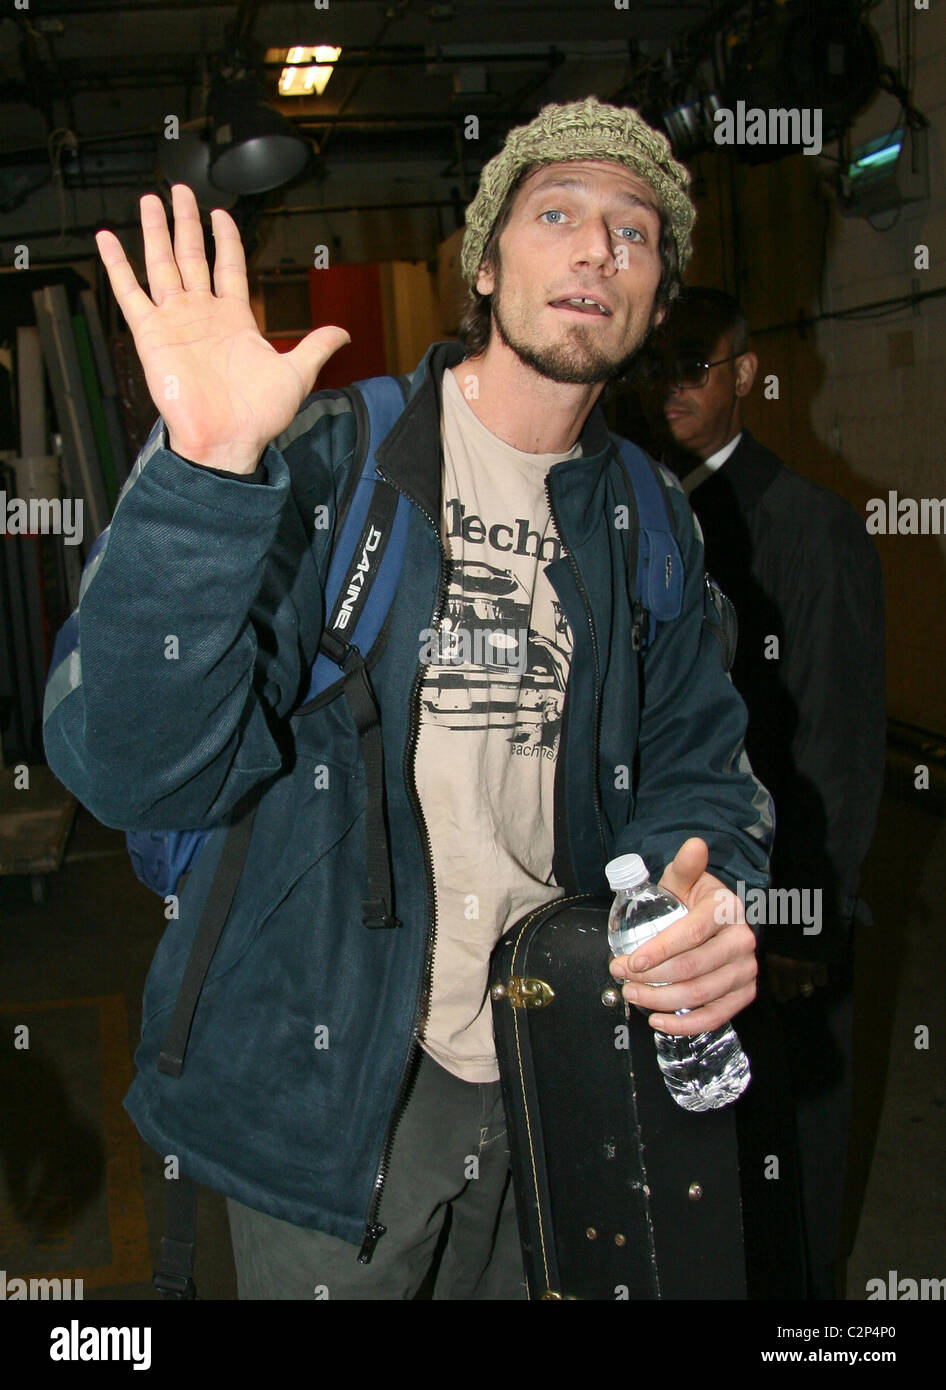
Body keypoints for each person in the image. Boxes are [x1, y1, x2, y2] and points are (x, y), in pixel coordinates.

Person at [42, 99, 773, 1300]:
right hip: (339, 1092)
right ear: (485, 263)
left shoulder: (651, 514)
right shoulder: (329, 458)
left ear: (653, 298)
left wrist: (709, 897)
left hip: (554, 1067)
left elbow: (698, 762)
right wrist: (205, 480)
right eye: (557, 215)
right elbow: (129, 764)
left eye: (633, 236)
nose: (598, 251)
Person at [638, 287, 886, 1298]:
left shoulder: (809, 529)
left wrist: (799, 926)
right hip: (685, 921)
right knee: (709, 1197)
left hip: (780, 925)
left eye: (694, 367)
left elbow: (838, 747)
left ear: (745, 373)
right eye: (657, 368)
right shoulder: (644, 514)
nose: (671, 390)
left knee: (792, 1199)